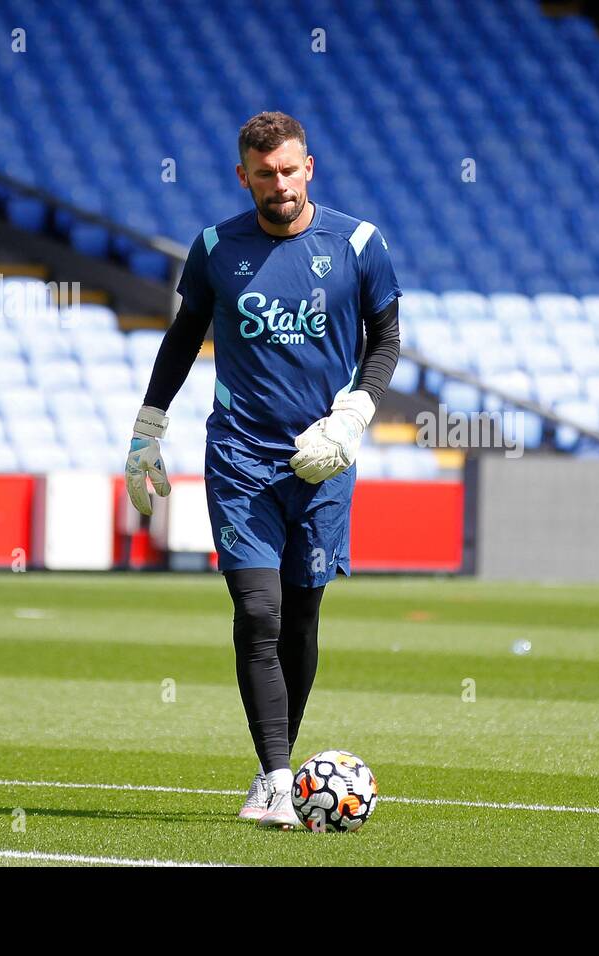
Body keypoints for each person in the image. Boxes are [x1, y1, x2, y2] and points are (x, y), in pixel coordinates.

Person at [124, 111, 402, 829]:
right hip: (241, 457)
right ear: (242, 175)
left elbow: (387, 336)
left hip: (322, 461)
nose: (278, 184)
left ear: (309, 168)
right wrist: (148, 426)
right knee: (258, 611)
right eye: (264, 173)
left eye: (289, 170)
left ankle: (274, 759)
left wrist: (355, 415)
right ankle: (278, 779)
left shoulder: (360, 244)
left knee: (302, 617)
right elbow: (184, 338)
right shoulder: (216, 247)